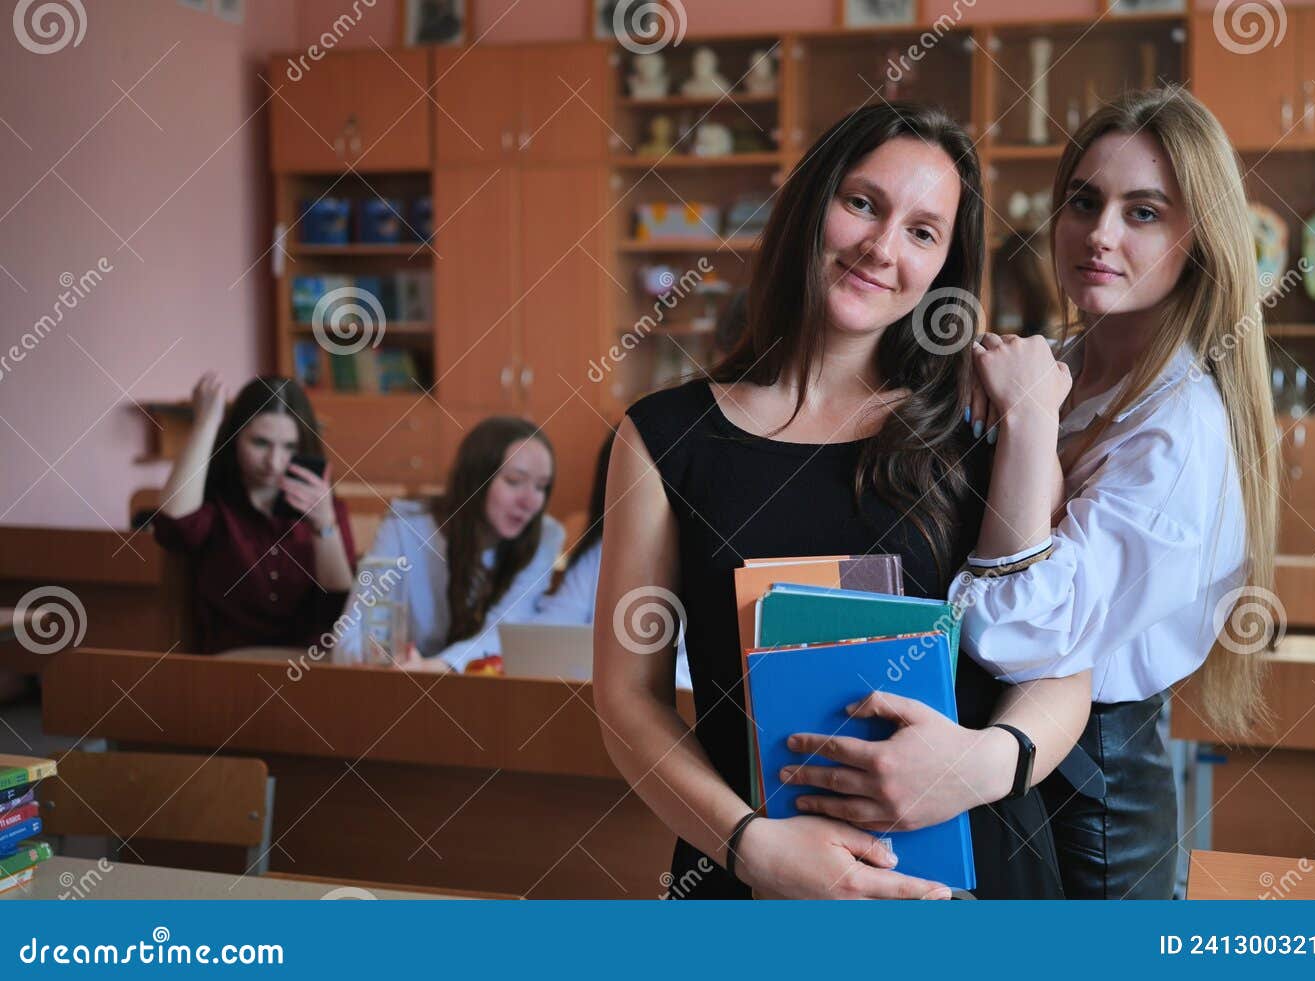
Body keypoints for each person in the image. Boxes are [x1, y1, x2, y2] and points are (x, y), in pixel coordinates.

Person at [595, 102, 1091, 901]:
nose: (881, 248)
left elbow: (1064, 666)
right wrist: (749, 846)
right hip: (752, 883)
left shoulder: (983, 427)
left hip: (970, 886)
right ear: (811, 201)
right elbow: (626, 698)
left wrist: (983, 762)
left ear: (943, 272)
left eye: (923, 232)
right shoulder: (664, 439)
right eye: (862, 203)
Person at [956, 86, 1281, 898]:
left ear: (1197, 237)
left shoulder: (1178, 428)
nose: (1099, 235)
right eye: (1084, 201)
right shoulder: (1059, 364)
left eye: (1144, 212)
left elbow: (1019, 634)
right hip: (996, 757)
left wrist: (1028, 424)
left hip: (1091, 794)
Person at [333, 417, 564, 672]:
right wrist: (378, 662)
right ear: (476, 480)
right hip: (400, 677)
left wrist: (437, 666)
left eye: (541, 487)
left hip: (475, 683)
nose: (530, 502)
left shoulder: (545, 536)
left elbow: (506, 630)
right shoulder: (406, 524)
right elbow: (353, 629)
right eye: (513, 481)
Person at [153, 373, 355, 654]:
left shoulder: (327, 509)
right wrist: (206, 424)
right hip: (227, 668)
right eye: (260, 443)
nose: (274, 462)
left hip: (306, 668)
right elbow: (171, 527)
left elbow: (340, 608)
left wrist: (324, 526)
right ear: (235, 438)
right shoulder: (214, 506)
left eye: (289, 447)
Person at [531, 431, 691, 690]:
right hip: (592, 703)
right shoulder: (600, 548)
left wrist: (624, 691)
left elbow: (703, 668)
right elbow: (552, 627)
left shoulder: (702, 553)